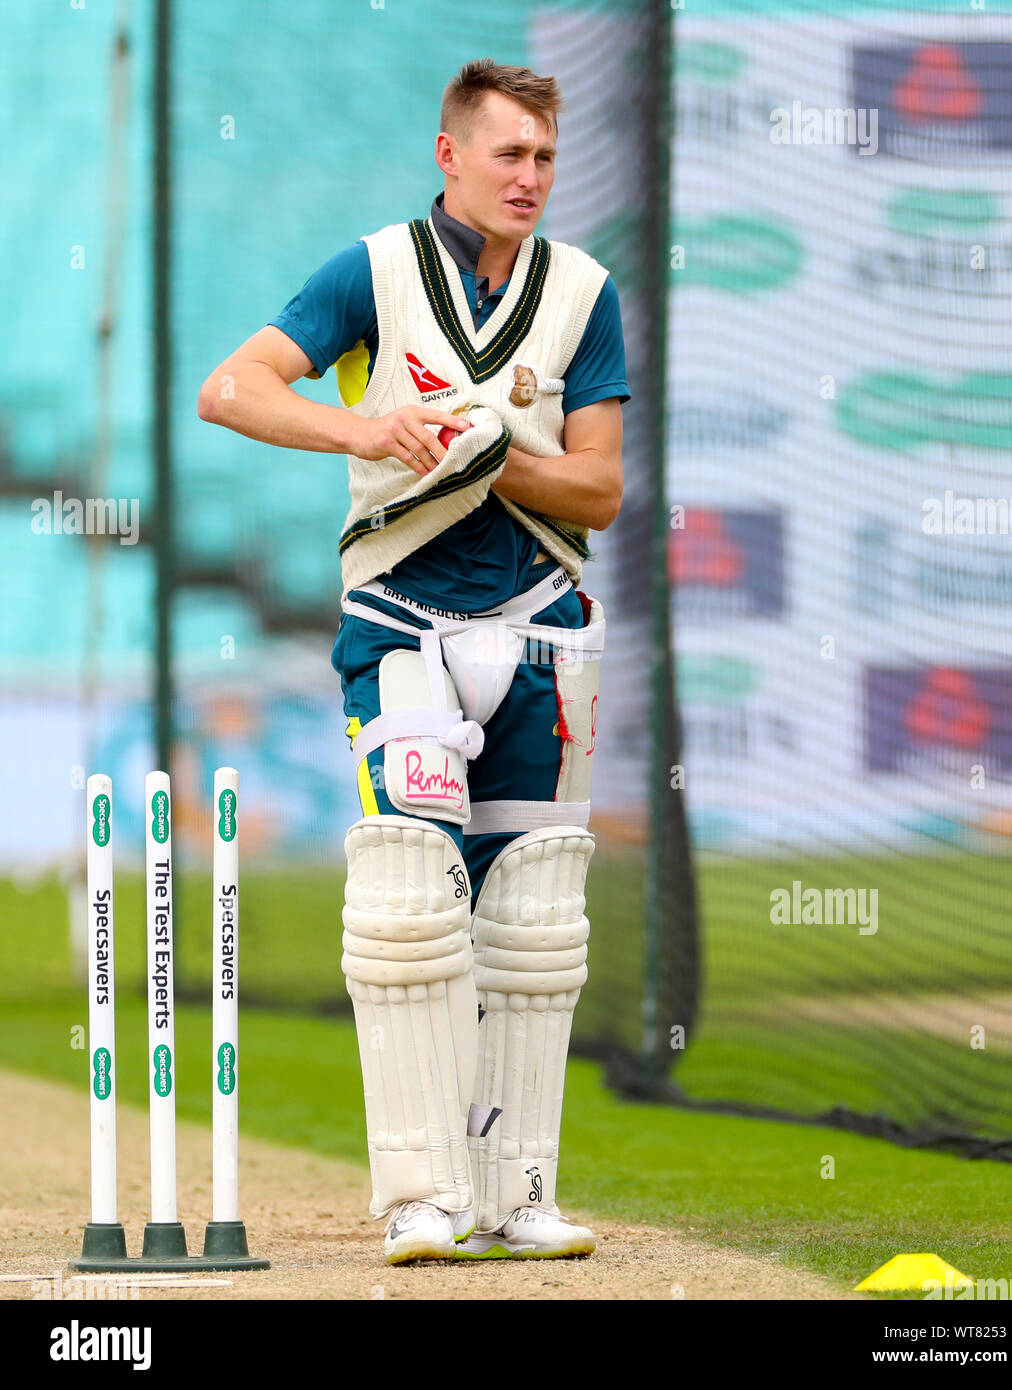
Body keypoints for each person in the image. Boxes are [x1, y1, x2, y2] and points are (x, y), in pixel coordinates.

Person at [199, 58, 628, 1264]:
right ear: (450, 155)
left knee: (535, 915)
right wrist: (367, 426)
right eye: (507, 155)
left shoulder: (585, 291)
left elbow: (597, 482)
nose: (529, 179)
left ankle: (518, 1188)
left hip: (546, 623)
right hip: (401, 621)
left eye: (544, 157)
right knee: (408, 896)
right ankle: (420, 1196)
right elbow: (230, 389)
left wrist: (487, 451)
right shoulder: (374, 273)